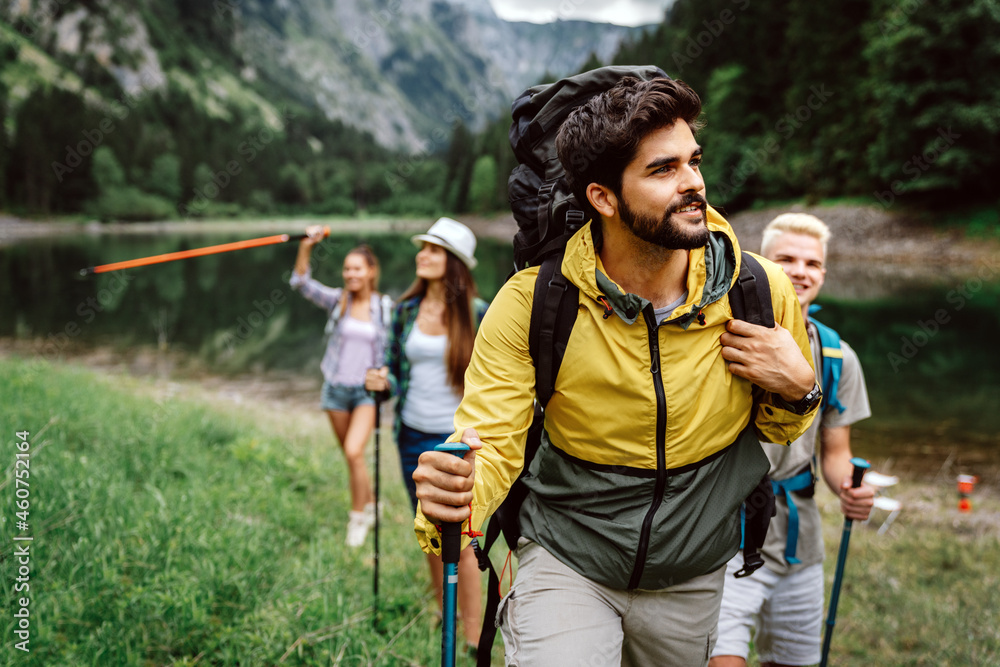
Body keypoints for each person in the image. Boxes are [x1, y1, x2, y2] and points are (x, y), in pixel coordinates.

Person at [410, 76, 822, 665]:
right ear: (603, 198)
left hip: (691, 573)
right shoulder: (533, 303)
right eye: (663, 170)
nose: (694, 183)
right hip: (567, 557)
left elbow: (778, 427)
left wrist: (802, 388)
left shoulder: (758, 288)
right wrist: (457, 491)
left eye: (693, 161)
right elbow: (492, 441)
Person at [710, 213, 875, 667]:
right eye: (786, 259)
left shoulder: (837, 356)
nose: (801, 271)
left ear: (823, 273)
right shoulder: (729, 338)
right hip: (727, 533)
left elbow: (836, 455)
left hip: (800, 545)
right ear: (761, 263)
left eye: (813, 263)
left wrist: (851, 488)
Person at [364, 217, 489, 652]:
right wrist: (382, 383)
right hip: (411, 437)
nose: (423, 254)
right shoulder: (404, 312)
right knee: (428, 531)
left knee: (462, 539)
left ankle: (472, 636)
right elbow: (395, 373)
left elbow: (495, 383)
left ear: (454, 261)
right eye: (423, 247)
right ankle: (444, 611)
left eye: (434, 249)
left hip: (456, 441)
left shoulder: (479, 313)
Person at [290, 227, 389, 548]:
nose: (350, 274)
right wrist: (306, 246)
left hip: (365, 393)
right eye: (347, 269)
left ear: (371, 271)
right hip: (335, 390)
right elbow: (300, 282)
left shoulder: (384, 308)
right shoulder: (339, 301)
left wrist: (387, 372)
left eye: (357, 268)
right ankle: (372, 504)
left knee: (353, 451)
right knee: (352, 457)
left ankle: (358, 519)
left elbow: (394, 348)